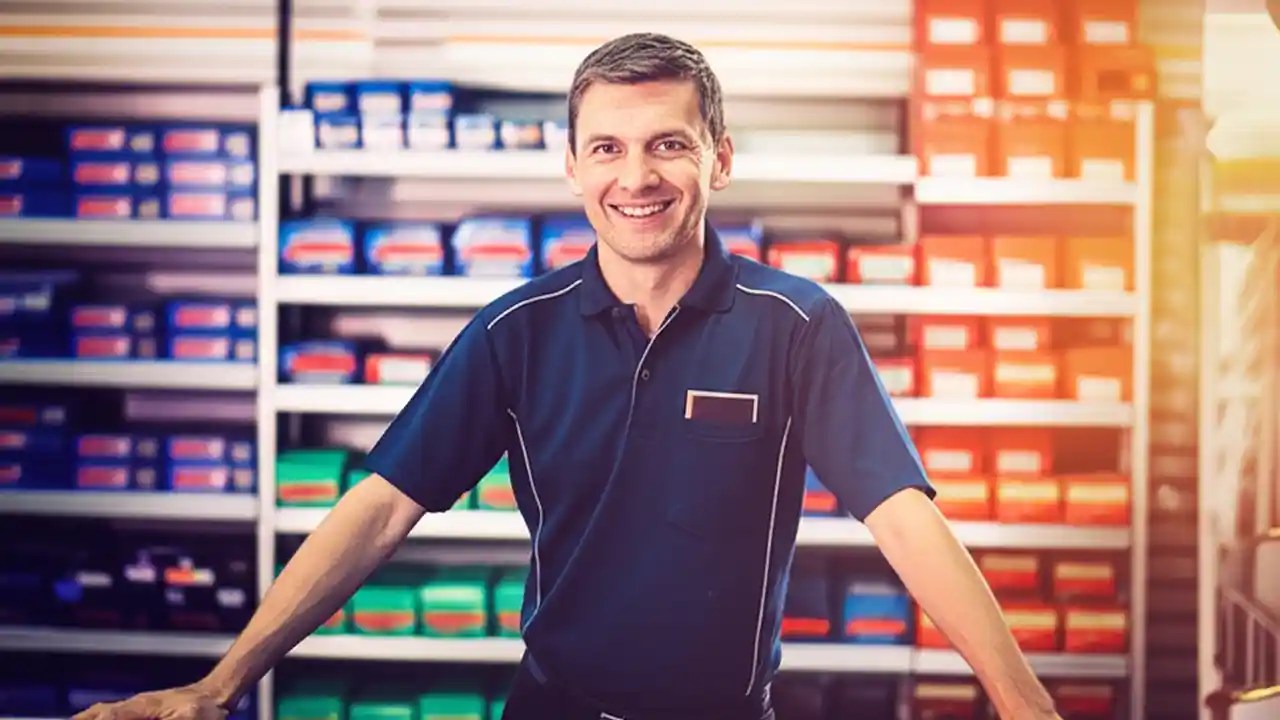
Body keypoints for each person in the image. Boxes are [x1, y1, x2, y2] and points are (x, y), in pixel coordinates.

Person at [76, 33, 1062, 720]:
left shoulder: (795, 326)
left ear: (718, 159)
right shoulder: (518, 330)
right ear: (572, 167)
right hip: (549, 710)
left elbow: (902, 516)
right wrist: (223, 683)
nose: (636, 176)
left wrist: (1025, 705)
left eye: (667, 144)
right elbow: (379, 507)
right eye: (608, 148)